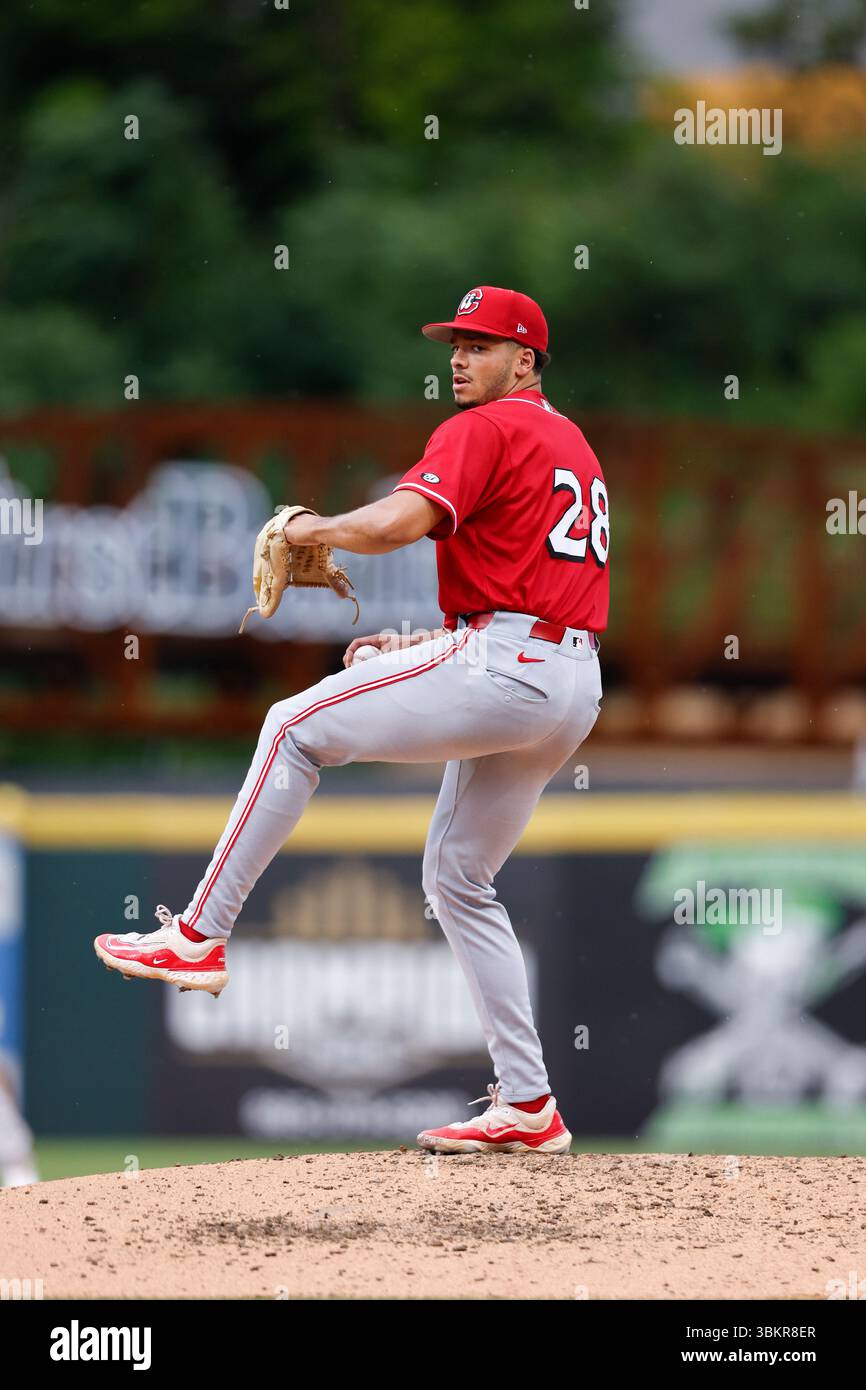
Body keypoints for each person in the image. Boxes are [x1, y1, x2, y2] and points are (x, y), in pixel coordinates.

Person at [95, 285, 610, 1155]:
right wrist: (425, 647)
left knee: (292, 727)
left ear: (525, 361)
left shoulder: (485, 427)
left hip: (508, 669)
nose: (459, 357)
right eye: (455, 343)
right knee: (458, 879)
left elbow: (401, 522)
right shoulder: (572, 442)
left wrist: (313, 526)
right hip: (569, 680)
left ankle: (198, 935)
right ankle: (529, 1103)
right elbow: (533, 584)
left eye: (481, 345)